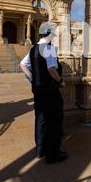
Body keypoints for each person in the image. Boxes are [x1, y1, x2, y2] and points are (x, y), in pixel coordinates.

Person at [20, 23, 67, 165]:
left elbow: (22, 65)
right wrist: (60, 81)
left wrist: (33, 79)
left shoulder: (34, 48)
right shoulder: (49, 48)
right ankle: (53, 154)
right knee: (54, 121)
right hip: (50, 90)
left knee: (41, 119)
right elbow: (52, 69)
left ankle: (40, 150)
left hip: (38, 90)